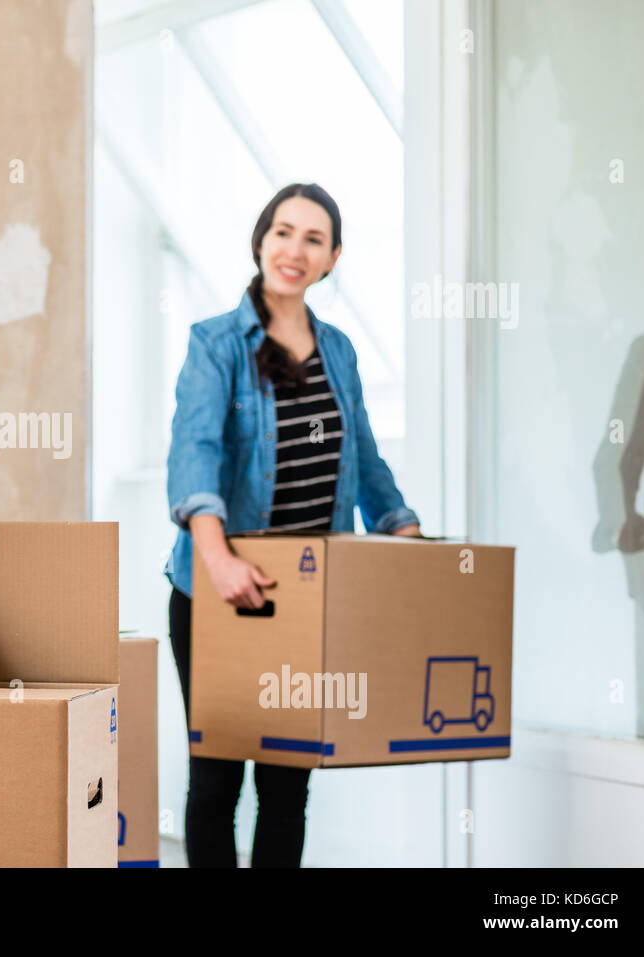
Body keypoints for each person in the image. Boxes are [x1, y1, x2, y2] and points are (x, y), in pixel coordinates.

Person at [164, 183, 421, 867]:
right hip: (218, 593)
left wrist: (405, 536)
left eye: (314, 238)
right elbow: (195, 452)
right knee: (217, 779)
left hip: (305, 597)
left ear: (333, 257)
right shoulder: (215, 342)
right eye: (283, 232)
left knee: (287, 783)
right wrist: (217, 557)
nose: (295, 249)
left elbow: (365, 459)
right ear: (260, 241)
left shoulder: (338, 350)